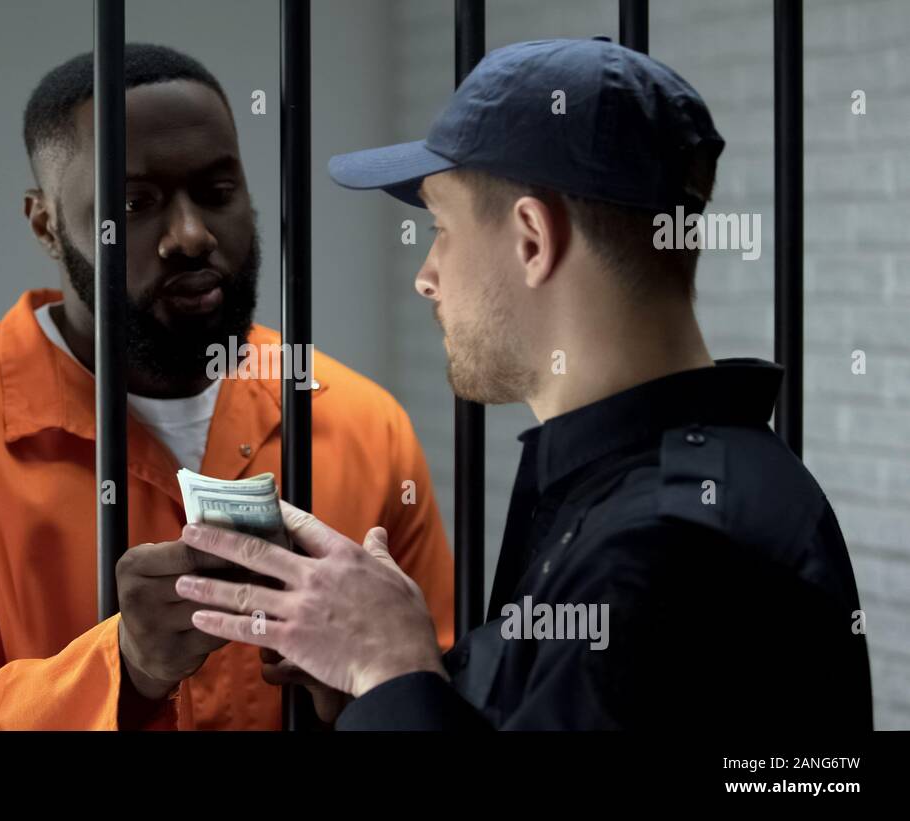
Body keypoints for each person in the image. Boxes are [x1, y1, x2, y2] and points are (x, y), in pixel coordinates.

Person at [173, 37, 874, 730]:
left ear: (532, 240)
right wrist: (376, 688)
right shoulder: (643, 490)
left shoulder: (664, 550)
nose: (427, 275)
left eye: (441, 227)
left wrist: (391, 673)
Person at [0, 44, 454, 730]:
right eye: (134, 203)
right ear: (46, 223)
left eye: (217, 193)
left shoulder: (363, 423)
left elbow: (439, 697)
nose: (190, 235)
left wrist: (355, 701)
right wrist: (124, 665)